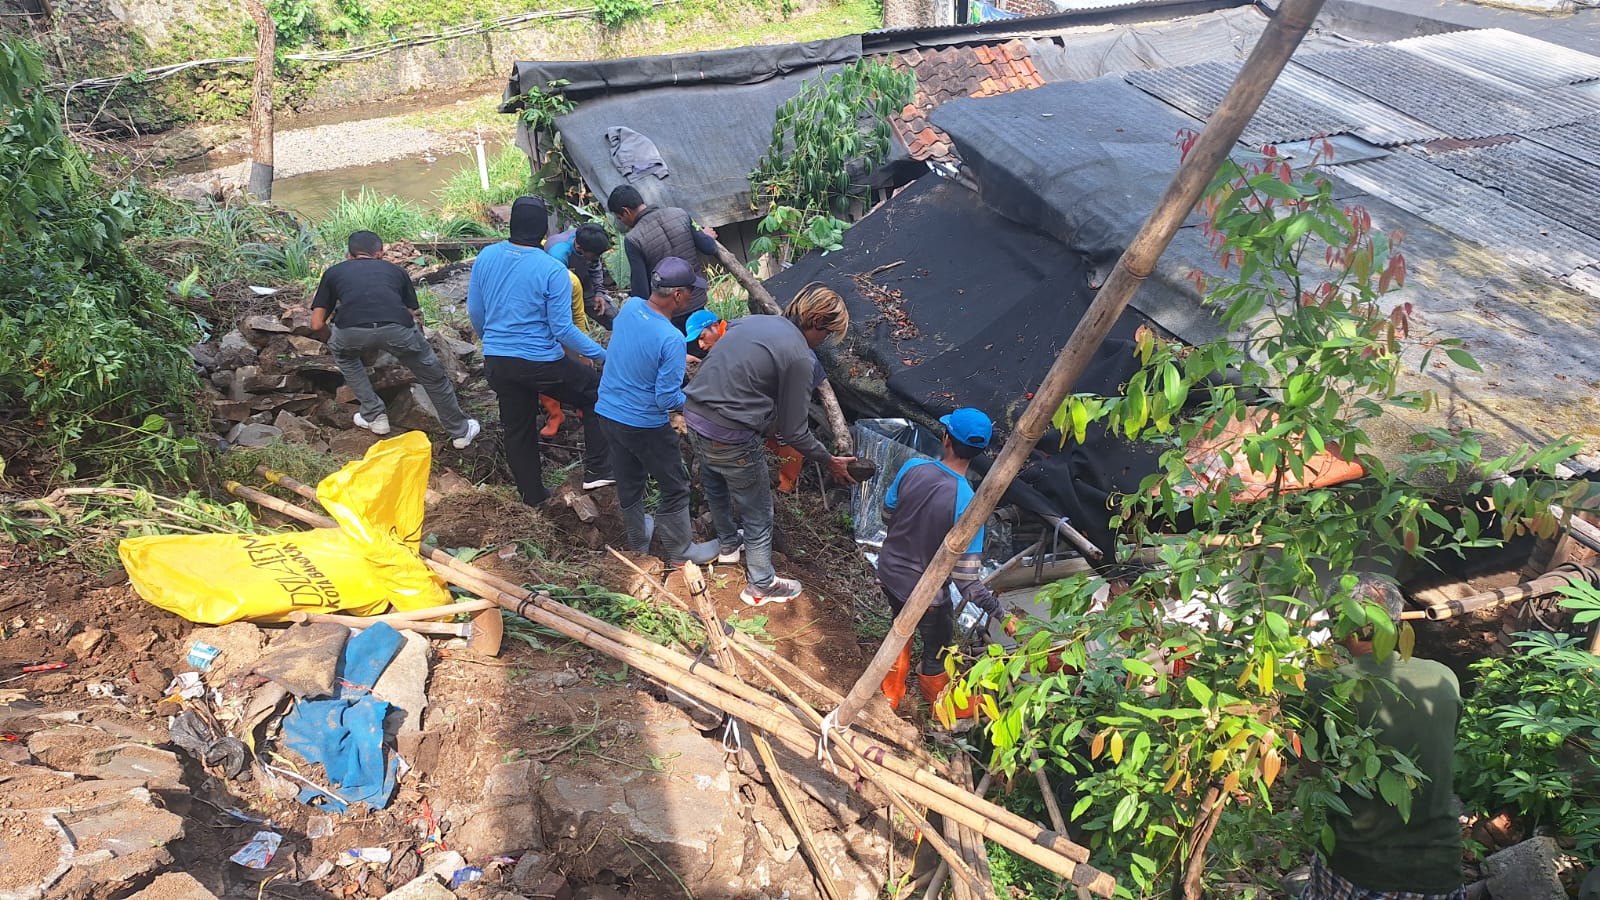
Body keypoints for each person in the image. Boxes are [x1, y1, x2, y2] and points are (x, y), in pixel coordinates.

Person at [682, 284, 857, 606]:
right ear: (817, 321)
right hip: (729, 435)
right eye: (828, 334)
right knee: (758, 511)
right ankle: (761, 584)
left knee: (715, 482)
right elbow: (794, 431)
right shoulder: (801, 358)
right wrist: (828, 459)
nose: (825, 342)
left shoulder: (749, 322)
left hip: (693, 416)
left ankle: (728, 546)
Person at [1303, 576, 1464, 900]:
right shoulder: (1444, 677)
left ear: (1341, 626)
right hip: (1441, 868)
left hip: (1359, 869)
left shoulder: (1325, 687)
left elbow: (1313, 771)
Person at [467, 197, 613, 506]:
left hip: (498, 361)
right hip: (540, 362)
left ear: (512, 224)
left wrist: (493, 344)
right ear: (544, 230)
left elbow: (476, 312)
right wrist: (603, 355)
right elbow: (563, 330)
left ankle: (532, 496)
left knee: (517, 428)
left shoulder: (485, 256)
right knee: (598, 391)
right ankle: (598, 469)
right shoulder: (552, 269)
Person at [876, 408, 1017, 714]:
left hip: (888, 572)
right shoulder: (969, 503)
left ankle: (892, 690)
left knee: (901, 624)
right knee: (939, 646)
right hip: (923, 593)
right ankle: (942, 702)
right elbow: (966, 582)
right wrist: (1002, 615)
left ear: (945, 439)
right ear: (981, 453)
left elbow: (887, 514)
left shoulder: (912, 467)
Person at [595, 258, 720, 567]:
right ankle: (681, 551)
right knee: (675, 484)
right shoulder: (671, 338)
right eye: (690, 291)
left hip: (608, 412)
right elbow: (666, 399)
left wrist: (675, 359)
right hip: (642, 423)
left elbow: (637, 349)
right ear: (677, 295)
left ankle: (638, 541)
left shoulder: (631, 307)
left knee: (628, 477)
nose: (692, 296)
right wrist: (695, 399)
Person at [310, 230, 480, 449]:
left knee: (346, 357)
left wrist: (334, 342)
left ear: (348, 255)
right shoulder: (396, 271)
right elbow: (410, 312)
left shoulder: (333, 272)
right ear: (380, 254)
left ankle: (374, 415)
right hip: (397, 330)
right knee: (433, 377)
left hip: (350, 331)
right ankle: (460, 432)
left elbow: (316, 324)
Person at [606, 185, 718, 330]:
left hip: (669, 311)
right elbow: (709, 247)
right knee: (704, 341)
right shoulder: (680, 214)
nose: (621, 222)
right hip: (696, 298)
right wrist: (706, 236)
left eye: (619, 218)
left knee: (682, 349)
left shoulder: (633, 239)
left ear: (626, 211)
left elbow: (641, 291)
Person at [547, 223, 615, 328]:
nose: (598, 257)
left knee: (612, 315)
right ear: (579, 247)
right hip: (559, 289)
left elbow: (595, 266)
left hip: (582, 279)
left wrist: (599, 292)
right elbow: (556, 290)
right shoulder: (558, 255)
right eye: (595, 255)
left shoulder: (590, 240)